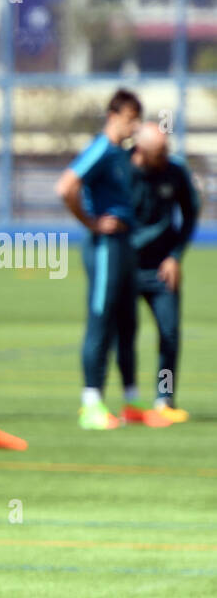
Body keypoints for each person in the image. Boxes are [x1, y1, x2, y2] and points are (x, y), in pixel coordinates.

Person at [55, 89, 142, 430]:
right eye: (130, 117)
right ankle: (90, 404)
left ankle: (132, 400)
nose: (135, 124)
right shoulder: (102, 149)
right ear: (113, 115)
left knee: (127, 321)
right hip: (104, 245)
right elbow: (66, 185)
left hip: (124, 242)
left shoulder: (123, 154)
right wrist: (89, 221)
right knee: (101, 318)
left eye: (138, 118)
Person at [122, 121, 198, 425]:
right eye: (159, 152)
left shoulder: (175, 171)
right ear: (141, 150)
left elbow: (191, 214)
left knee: (168, 334)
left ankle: (164, 398)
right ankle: (130, 400)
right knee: (122, 336)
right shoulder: (121, 169)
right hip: (126, 266)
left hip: (161, 268)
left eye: (167, 149)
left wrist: (175, 256)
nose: (165, 156)